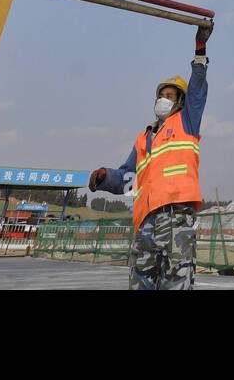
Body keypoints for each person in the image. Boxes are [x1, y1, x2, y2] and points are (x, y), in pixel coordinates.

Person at [89, 23, 211, 289]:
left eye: (169, 96)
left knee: (176, 277)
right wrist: (104, 178)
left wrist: (199, 53)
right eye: (161, 96)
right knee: (141, 278)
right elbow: (126, 178)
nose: (163, 100)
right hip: (146, 218)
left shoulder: (187, 121)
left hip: (176, 214)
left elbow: (198, 92)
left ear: (180, 101)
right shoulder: (143, 138)